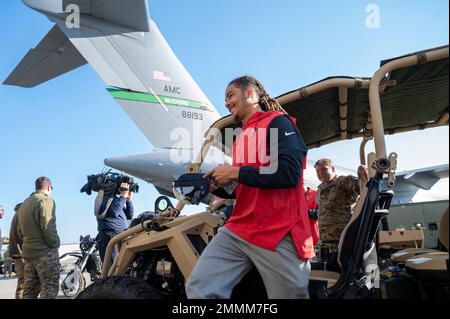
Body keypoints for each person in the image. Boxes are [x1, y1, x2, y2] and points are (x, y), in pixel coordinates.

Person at [186, 76, 314, 299]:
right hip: (239, 230)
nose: (226, 103)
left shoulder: (278, 122)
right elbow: (243, 189)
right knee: (200, 289)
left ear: (251, 94)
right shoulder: (240, 139)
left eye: (230, 95)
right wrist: (215, 186)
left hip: (277, 230)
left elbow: (289, 173)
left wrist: (235, 172)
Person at [314, 158, 368, 270]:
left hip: (341, 241)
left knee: (344, 272)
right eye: (318, 171)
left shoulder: (343, 182)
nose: (321, 173)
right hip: (325, 242)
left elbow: (364, 188)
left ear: (333, 169)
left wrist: (363, 173)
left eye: (324, 169)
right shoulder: (319, 189)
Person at [17, 177, 60, 299]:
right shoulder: (45, 201)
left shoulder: (25, 203)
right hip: (44, 253)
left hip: (29, 254)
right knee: (49, 289)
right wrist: (55, 243)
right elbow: (48, 227)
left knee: (29, 291)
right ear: (48, 187)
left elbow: (19, 231)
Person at [96, 175, 134, 264]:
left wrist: (128, 200)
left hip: (121, 236)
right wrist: (123, 195)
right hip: (110, 237)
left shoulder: (117, 199)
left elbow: (129, 215)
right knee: (111, 269)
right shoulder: (105, 198)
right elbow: (114, 212)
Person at [9, 203, 28, 299]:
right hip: (20, 252)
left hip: (17, 251)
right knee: (23, 280)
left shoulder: (17, 214)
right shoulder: (21, 214)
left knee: (23, 280)